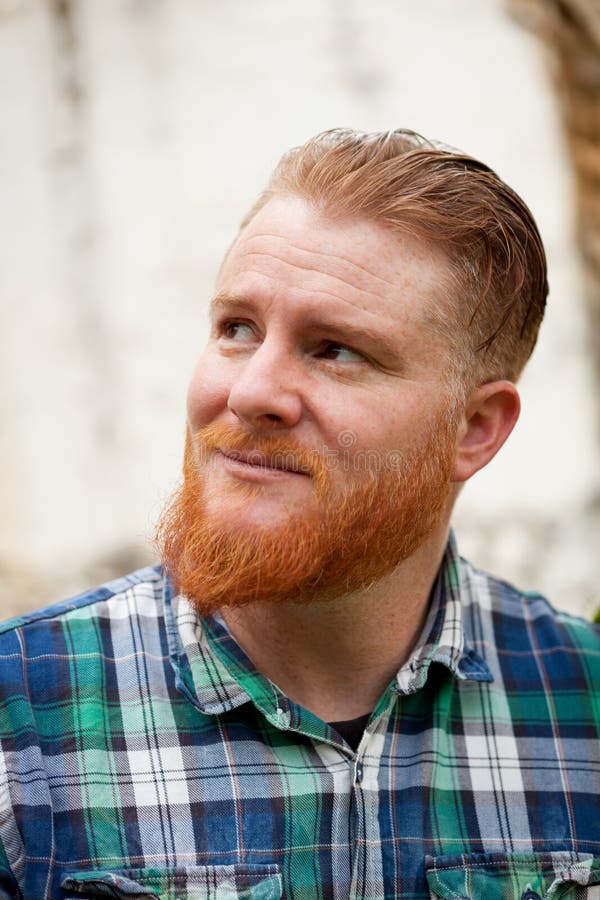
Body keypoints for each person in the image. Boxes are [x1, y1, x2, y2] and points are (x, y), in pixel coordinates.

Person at [0, 129, 598, 900]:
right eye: (236, 328)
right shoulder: (23, 733)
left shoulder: (582, 707)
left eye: (335, 349)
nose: (250, 392)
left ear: (475, 429)